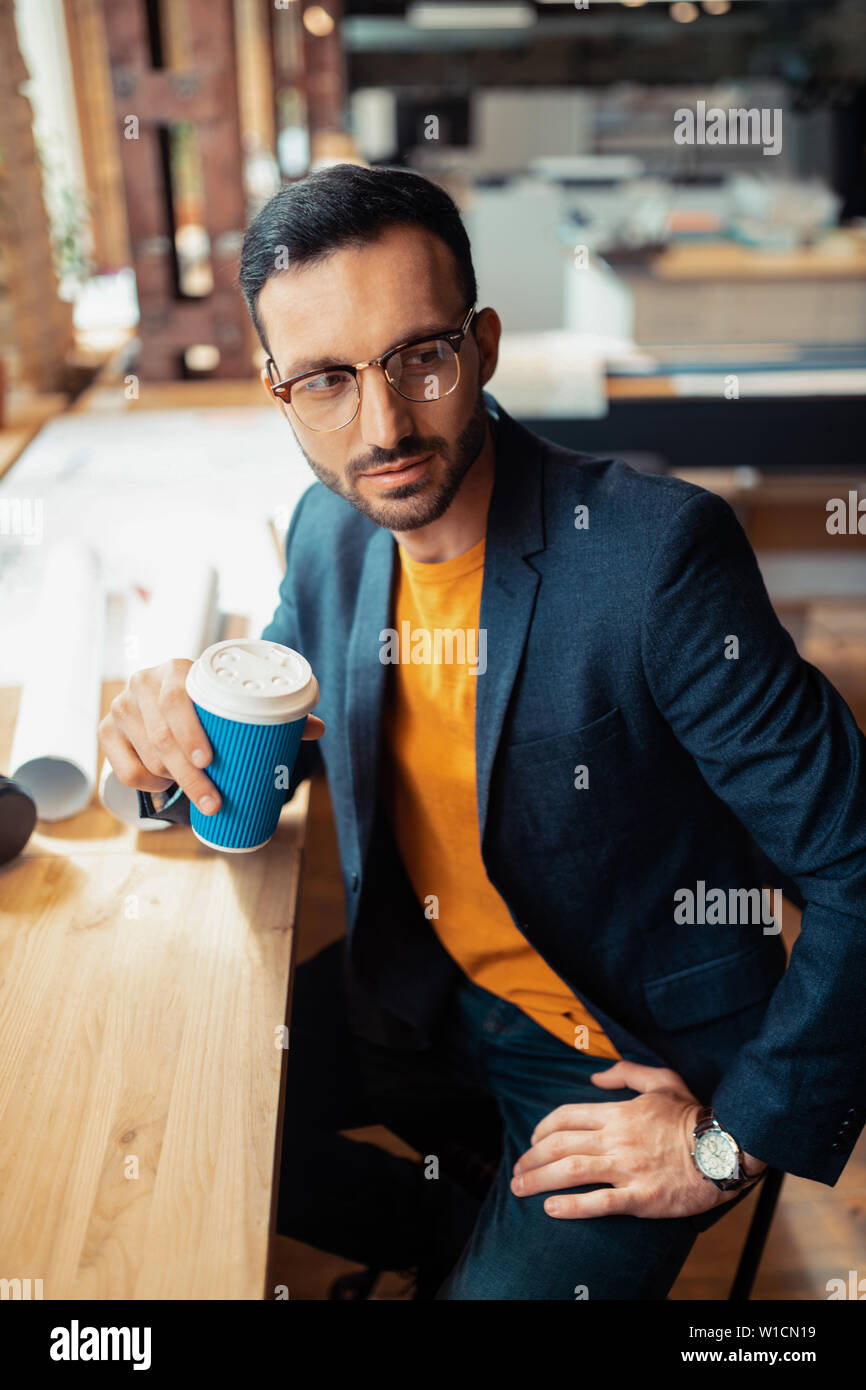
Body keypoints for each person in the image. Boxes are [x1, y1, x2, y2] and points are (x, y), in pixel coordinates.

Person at [99, 164, 866, 1300]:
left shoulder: (654, 559)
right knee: (167, 1100)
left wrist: (726, 1140)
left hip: (622, 1052)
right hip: (417, 986)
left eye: (421, 356)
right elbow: (296, 731)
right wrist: (165, 749)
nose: (385, 426)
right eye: (325, 380)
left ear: (484, 343)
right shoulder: (326, 528)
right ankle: (457, 1236)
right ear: (278, 392)